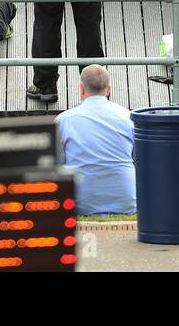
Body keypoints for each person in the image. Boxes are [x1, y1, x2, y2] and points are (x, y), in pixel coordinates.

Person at [55, 65, 136, 215]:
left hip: (80, 204)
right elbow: (140, 160)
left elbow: (57, 165)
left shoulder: (63, 120)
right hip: (127, 202)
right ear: (109, 89)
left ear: (82, 89)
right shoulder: (129, 117)